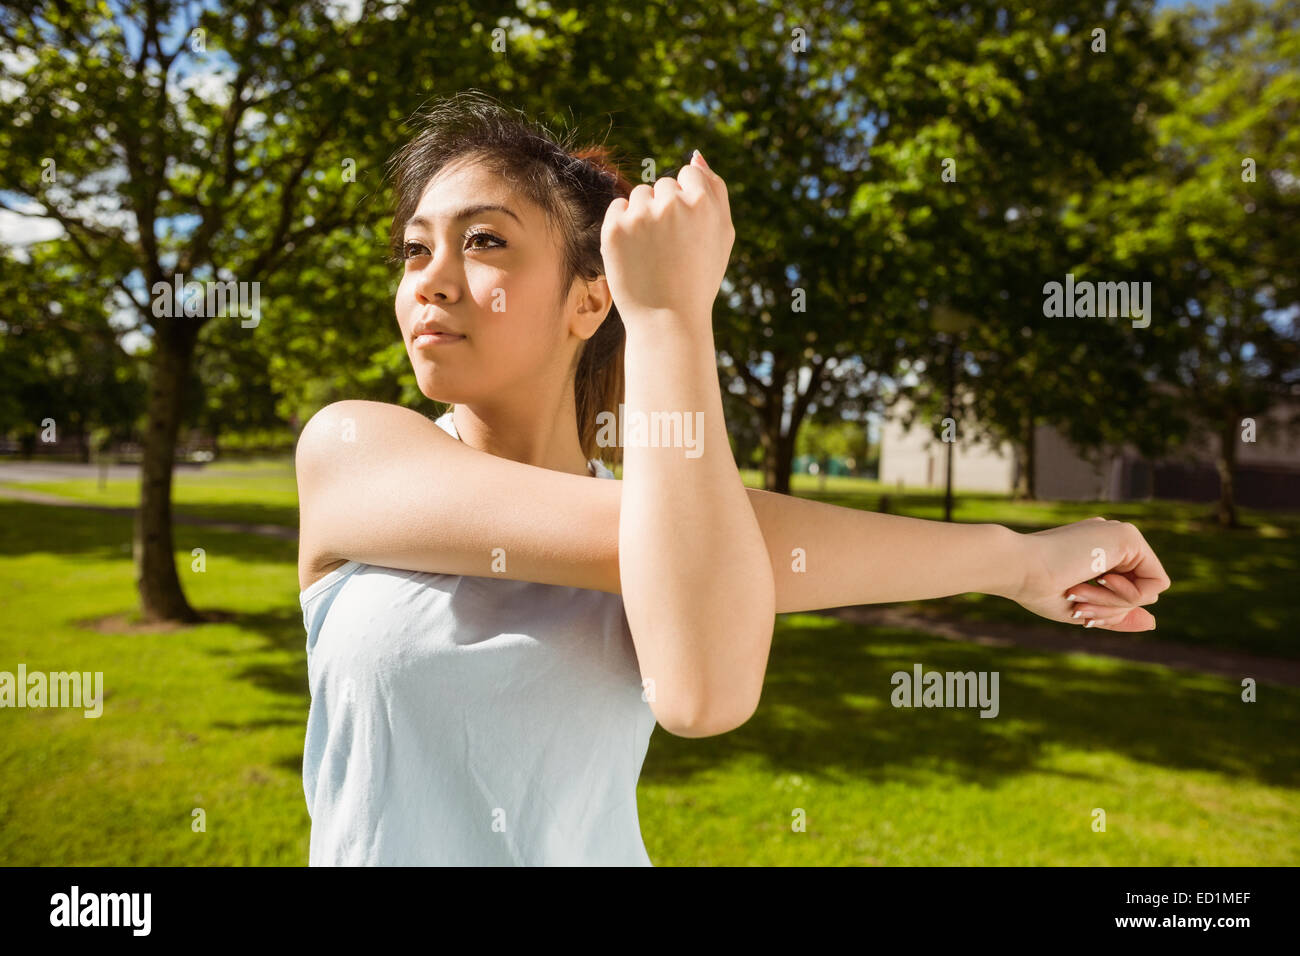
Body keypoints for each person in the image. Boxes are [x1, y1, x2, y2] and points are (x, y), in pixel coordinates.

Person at [294, 90, 1172, 866]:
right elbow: (692, 543)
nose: (431, 281)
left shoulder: (676, 525)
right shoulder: (350, 448)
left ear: (590, 300)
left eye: (482, 240)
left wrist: (672, 318)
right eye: (414, 251)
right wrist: (1019, 561)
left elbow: (704, 694)